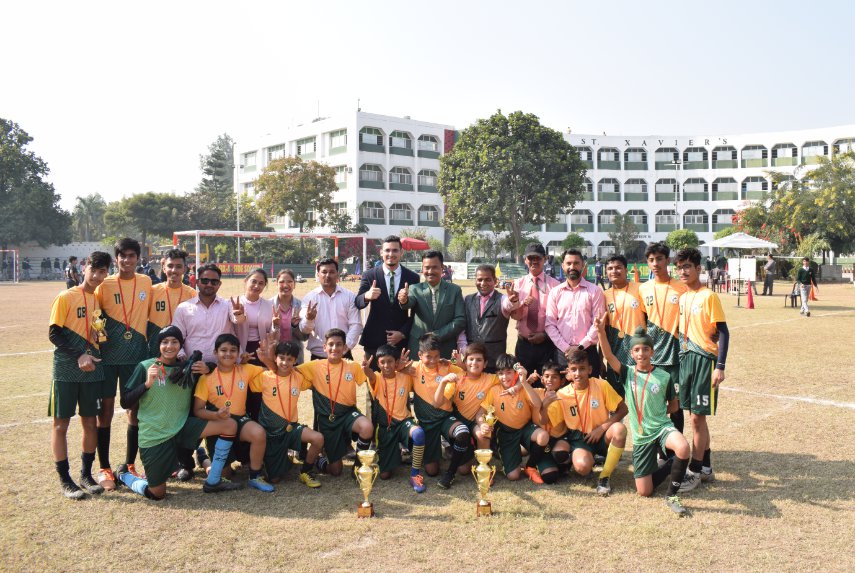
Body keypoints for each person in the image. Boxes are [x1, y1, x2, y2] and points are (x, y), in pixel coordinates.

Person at [117, 326, 242, 498]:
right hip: (156, 435)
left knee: (229, 425)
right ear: (158, 345)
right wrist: (147, 384)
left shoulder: (187, 369)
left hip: (183, 428)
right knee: (157, 493)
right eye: (165, 342)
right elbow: (125, 402)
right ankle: (125, 476)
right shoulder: (146, 366)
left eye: (174, 342)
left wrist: (208, 367)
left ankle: (213, 480)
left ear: (181, 345)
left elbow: (215, 367)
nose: (170, 346)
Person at [597, 321, 696, 516]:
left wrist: (658, 412)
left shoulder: (664, 376)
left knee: (683, 447)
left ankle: (672, 495)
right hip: (642, 437)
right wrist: (601, 331)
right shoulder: (627, 372)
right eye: (636, 350)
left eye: (645, 349)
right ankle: (669, 465)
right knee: (644, 491)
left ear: (652, 352)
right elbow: (608, 356)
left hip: (661, 428)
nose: (641, 353)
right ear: (631, 354)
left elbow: (674, 406)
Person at [48, 251, 111, 499]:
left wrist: (98, 337)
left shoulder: (96, 300)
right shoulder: (66, 296)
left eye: (102, 271)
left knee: (89, 422)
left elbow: (95, 330)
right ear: (84, 267)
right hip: (66, 369)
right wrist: (79, 355)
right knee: (61, 424)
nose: (96, 276)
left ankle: (86, 474)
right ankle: (65, 479)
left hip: (92, 368)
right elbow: (54, 334)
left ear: (107, 272)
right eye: (93, 270)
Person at [93, 238, 153, 490]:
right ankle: (104, 467)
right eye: (122, 256)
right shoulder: (103, 285)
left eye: (131, 256)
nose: (127, 260)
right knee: (104, 412)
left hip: (136, 358)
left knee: (134, 412)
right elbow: (95, 317)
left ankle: (129, 464)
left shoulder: (147, 282)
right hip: (107, 359)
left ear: (138, 258)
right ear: (115, 259)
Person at [193, 333, 275, 492]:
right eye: (223, 350)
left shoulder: (245, 369)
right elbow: (197, 410)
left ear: (239, 353)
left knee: (258, 433)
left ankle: (255, 476)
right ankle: (204, 460)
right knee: (224, 474)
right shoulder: (207, 377)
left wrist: (265, 358)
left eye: (233, 350)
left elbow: (274, 372)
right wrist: (216, 415)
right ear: (216, 353)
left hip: (240, 420)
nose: (228, 354)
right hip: (219, 424)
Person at [675, 248, 729, 489]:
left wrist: (720, 366)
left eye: (688, 266)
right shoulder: (684, 297)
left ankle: (694, 471)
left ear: (698, 268)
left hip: (704, 360)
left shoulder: (709, 296)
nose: (683, 271)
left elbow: (724, 331)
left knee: (697, 418)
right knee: (694, 416)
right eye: (679, 267)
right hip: (686, 357)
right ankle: (705, 466)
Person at [548, 348, 627, 495]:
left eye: (582, 369)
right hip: (579, 438)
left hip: (602, 433)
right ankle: (581, 458)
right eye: (574, 370)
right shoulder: (562, 394)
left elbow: (623, 409)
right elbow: (553, 423)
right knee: (583, 467)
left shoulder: (601, 385)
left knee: (619, 430)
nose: (578, 374)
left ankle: (605, 476)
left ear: (590, 370)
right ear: (569, 372)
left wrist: (601, 428)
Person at [295, 328, 373, 477]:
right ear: (324, 347)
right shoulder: (314, 366)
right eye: (330, 344)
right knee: (335, 471)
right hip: (328, 420)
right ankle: (318, 460)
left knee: (367, 426)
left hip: (347, 413)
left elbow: (372, 380)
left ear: (345, 348)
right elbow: (290, 372)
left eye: (339, 345)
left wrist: (369, 372)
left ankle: (358, 466)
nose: (334, 348)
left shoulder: (353, 366)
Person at [252, 340, 324, 488]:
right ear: (275, 358)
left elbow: (312, 377)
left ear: (295, 361)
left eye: (290, 359)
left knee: (318, 438)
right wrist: (265, 360)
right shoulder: (264, 377)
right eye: (282, 358)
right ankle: (277, 459)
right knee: (275, 479)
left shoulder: (298, 377)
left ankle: (306, 471)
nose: (285, 362)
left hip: (291, 428)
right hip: (271, 434)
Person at [401, 333, 468, 489]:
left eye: (436, 356)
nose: (432, 360)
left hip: (445, 418)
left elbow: (465, 372)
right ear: (419, 355)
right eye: (428, 357)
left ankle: (450, 470)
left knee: (463, 436)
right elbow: (396, 372)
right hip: (427, 423)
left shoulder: (447, 367)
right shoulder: (414, 368)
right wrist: (401, 367)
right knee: (431, 471)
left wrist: (459, 364)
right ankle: (425, 450)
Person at [638, 242, 687, 445]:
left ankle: (677, 451)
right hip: (653, 357)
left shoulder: (681, 287)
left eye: (659, 259)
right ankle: (658, 449)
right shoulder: (643, 289)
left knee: (676, 406)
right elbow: (643, 321)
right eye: (651, 260)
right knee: (653, 404)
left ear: (668, 260)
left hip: (675, 355)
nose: (655, 263)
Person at [363, 344, 426, 492]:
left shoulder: (405, 376)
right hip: (386, 427)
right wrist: (366, 370)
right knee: (385, 475)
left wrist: (404, 368)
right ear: (378, 364)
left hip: (405, 422)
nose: (386, 365)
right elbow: (371, 375)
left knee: (419, 433)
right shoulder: (376, 378)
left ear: (396, 362)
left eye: (390, 361)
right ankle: (392, 454)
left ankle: (415, 475)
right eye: (382, 362)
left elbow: (421, 367)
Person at [476, 354, 546, 482]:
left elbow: (538, 404)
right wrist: (482, 424)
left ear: (515, 373)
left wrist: (524, 381)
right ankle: (515, 455)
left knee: (543, 436)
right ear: (497, 374)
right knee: (513, 476)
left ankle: (530, 466)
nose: (505, 377)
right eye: (501, 373)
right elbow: (480, 413)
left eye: (509, 373)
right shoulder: (494, 391)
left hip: (525, 428)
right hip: (506, 433)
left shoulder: (523, 387)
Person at [433, 343, 499, 476]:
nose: (475, 363)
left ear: (485, 364)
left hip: (476, 421)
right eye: (471, 359)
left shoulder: (491, 379)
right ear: (465, 362)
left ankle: (485, 468)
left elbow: (510, 379)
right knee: (463, 471)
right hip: (459, 422)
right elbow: (436, 403)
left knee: (483, 433)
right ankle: (463, 449)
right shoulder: (457, 378)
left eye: (479, 360)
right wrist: (443, 382)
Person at [355, 235, 419, 369]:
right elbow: (358, 302)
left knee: (400, 385)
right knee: (374, 384)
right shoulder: (369, 275)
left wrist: (402, 333)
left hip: (400, 342)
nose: (391, 254)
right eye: (387, 250)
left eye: (395, 250)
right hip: (374, 340)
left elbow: (416, 313)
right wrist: (367, 295)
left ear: (401, 252)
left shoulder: (413, 277)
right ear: (381, 252)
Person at [545, 249, 605, 376]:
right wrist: (566, 348)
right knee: (562, 393)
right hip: (562, 354)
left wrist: (581, 346)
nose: (572, 267)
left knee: (590, 393)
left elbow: (598, 323)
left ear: (582, 265)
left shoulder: (594, 291)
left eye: (576, 263)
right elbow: (550, 324)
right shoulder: (555, 292)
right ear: (563, 266)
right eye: (569, 263)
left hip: (587, 352)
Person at [398, 250, 465, 359]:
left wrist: (436, 335)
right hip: (419, 348)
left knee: (447, 376)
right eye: (427, 267)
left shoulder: (455, 290)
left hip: (446, 348)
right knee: (419, 376)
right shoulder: (415, 288)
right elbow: (408, 303)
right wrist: (403, 300)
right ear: (422, 268)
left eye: (434, 267)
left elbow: (460, 320)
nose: (430, 271)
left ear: (442, 267)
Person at [457, 264, 519, 372]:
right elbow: (461, 329)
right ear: (475, 280)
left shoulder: (502, 299)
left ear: (495, 281)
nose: (483, 283)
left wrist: (513, 301)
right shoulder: (466, 300)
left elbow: (508, 305)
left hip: (494, 362)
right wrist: (464, 350)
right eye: (479, 279)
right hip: (472, 362)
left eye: (487, 280)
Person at [511, 243, 561, 376]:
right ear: (525, 260)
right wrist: (521, 304)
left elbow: (559, 318)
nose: (534, 261)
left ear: (545, 259)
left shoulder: (555, 286)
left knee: (546, 385)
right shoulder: (517, 284)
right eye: (530, 258)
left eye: (537, 258)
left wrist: (545, 336)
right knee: (523, 384)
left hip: (547, 344)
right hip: (523, 345)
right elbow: (515, 316)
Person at [172, 263, 237, 364]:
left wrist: (240, 315)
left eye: (214, 282)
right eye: (205, 281)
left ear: (219, 284)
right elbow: (176, 337)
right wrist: (181, 356)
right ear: (197, 282)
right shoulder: (183, 308)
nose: (209, 284)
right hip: (192, 367)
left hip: (221, 368)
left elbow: (237, 320)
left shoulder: (227, 305)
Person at [299, 258, 362, 360]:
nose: (327, 275)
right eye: (324, 272)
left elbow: (356, 324)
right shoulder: (309, 298)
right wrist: (309, 318)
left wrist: (345, 347)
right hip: (318, 356)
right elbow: (304, 329)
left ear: (337, 274)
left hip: (344, 355)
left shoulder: (349, 296)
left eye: (332, 272)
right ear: (318, 274)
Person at [602, 254, 646, 396]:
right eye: (610, 268)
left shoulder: (640, 289)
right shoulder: (604, 295)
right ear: (606, 272)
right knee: (616, 403)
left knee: (640, 400)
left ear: (626, 270)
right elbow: (603, 330)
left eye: (618, 268)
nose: (614, 271)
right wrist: (600, 359)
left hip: (639, 353)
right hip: (614, 355)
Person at [146, 249, 196, 358]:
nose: (174, 270)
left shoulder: (192, 294)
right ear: (164, 268)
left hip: (182, 349)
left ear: (184, 269)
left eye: (178, 266)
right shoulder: (152, 291)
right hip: (157, 347)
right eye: (170, 266)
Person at [533, 362, 570, 483]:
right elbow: (521, 392)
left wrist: (545, 405)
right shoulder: (537, 392)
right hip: (543, 441)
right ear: (542, 379)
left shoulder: (563, 396)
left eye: (554, 377)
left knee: (560, 454)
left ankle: (566, 461)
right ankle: (549, 464)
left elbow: (544, 420)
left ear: (562, 381)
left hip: (559, 438)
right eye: (547, 376)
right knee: (550, 478)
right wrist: (527, 381)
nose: (550, 380)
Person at [269, 269, 307, 360]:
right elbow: (263, 334)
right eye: (281, 282)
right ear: (276, 284)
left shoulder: (301, 305)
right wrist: (275, 326)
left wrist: (295, 325)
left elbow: (304, 337)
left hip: (294, 357)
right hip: (274, 355)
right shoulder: (268, 305)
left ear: (294, 284)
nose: (285, 285)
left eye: (289, 281)